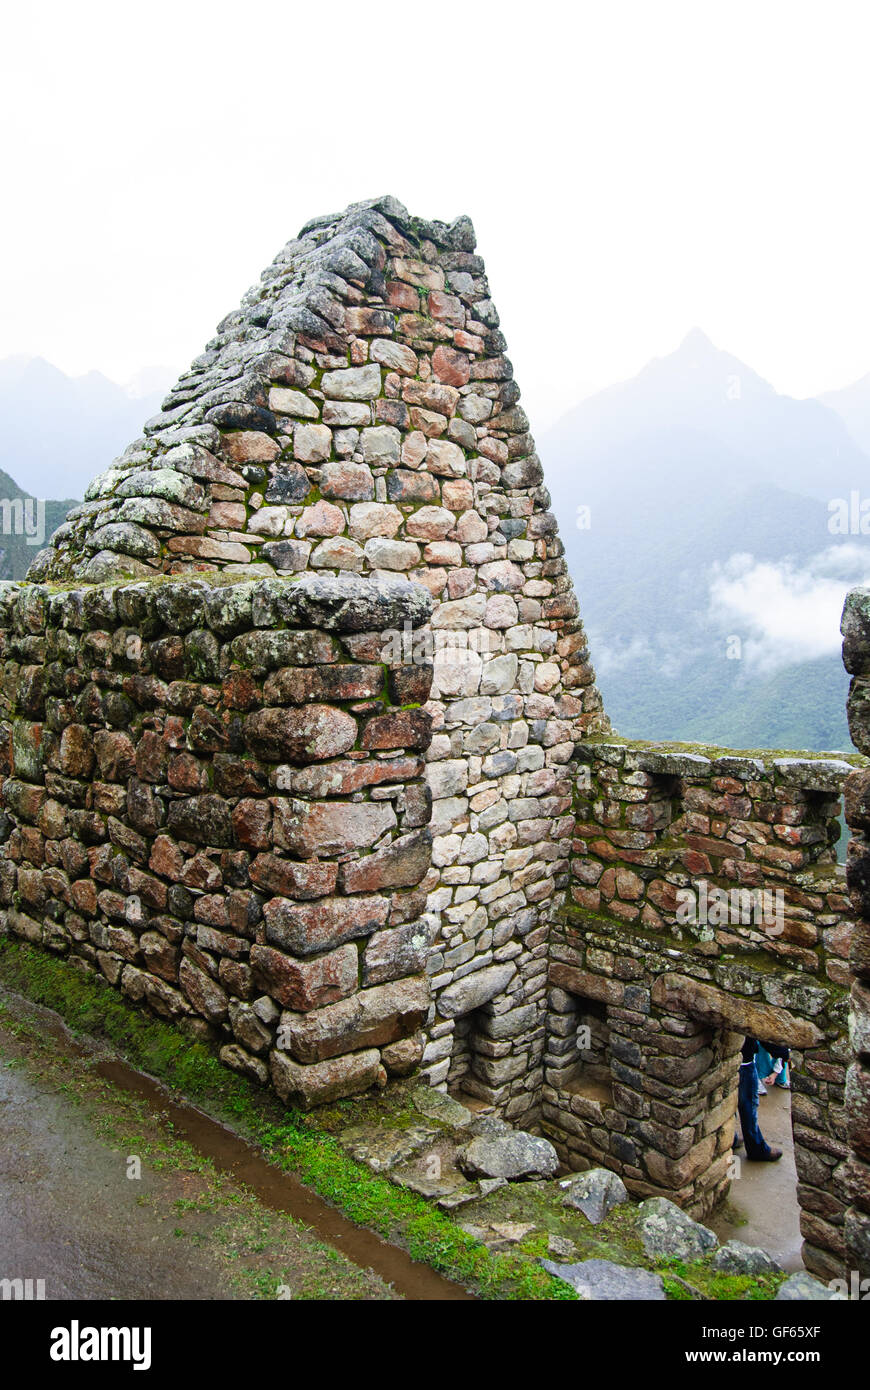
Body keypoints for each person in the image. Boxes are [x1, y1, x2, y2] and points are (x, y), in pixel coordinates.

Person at [736, 1036, 782, 1161]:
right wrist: (780, 1051)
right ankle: (756, 1149)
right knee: (749, 1105)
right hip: (744, 1062)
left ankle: (730, 1137)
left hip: (735, 1057)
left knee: (730, 1101)